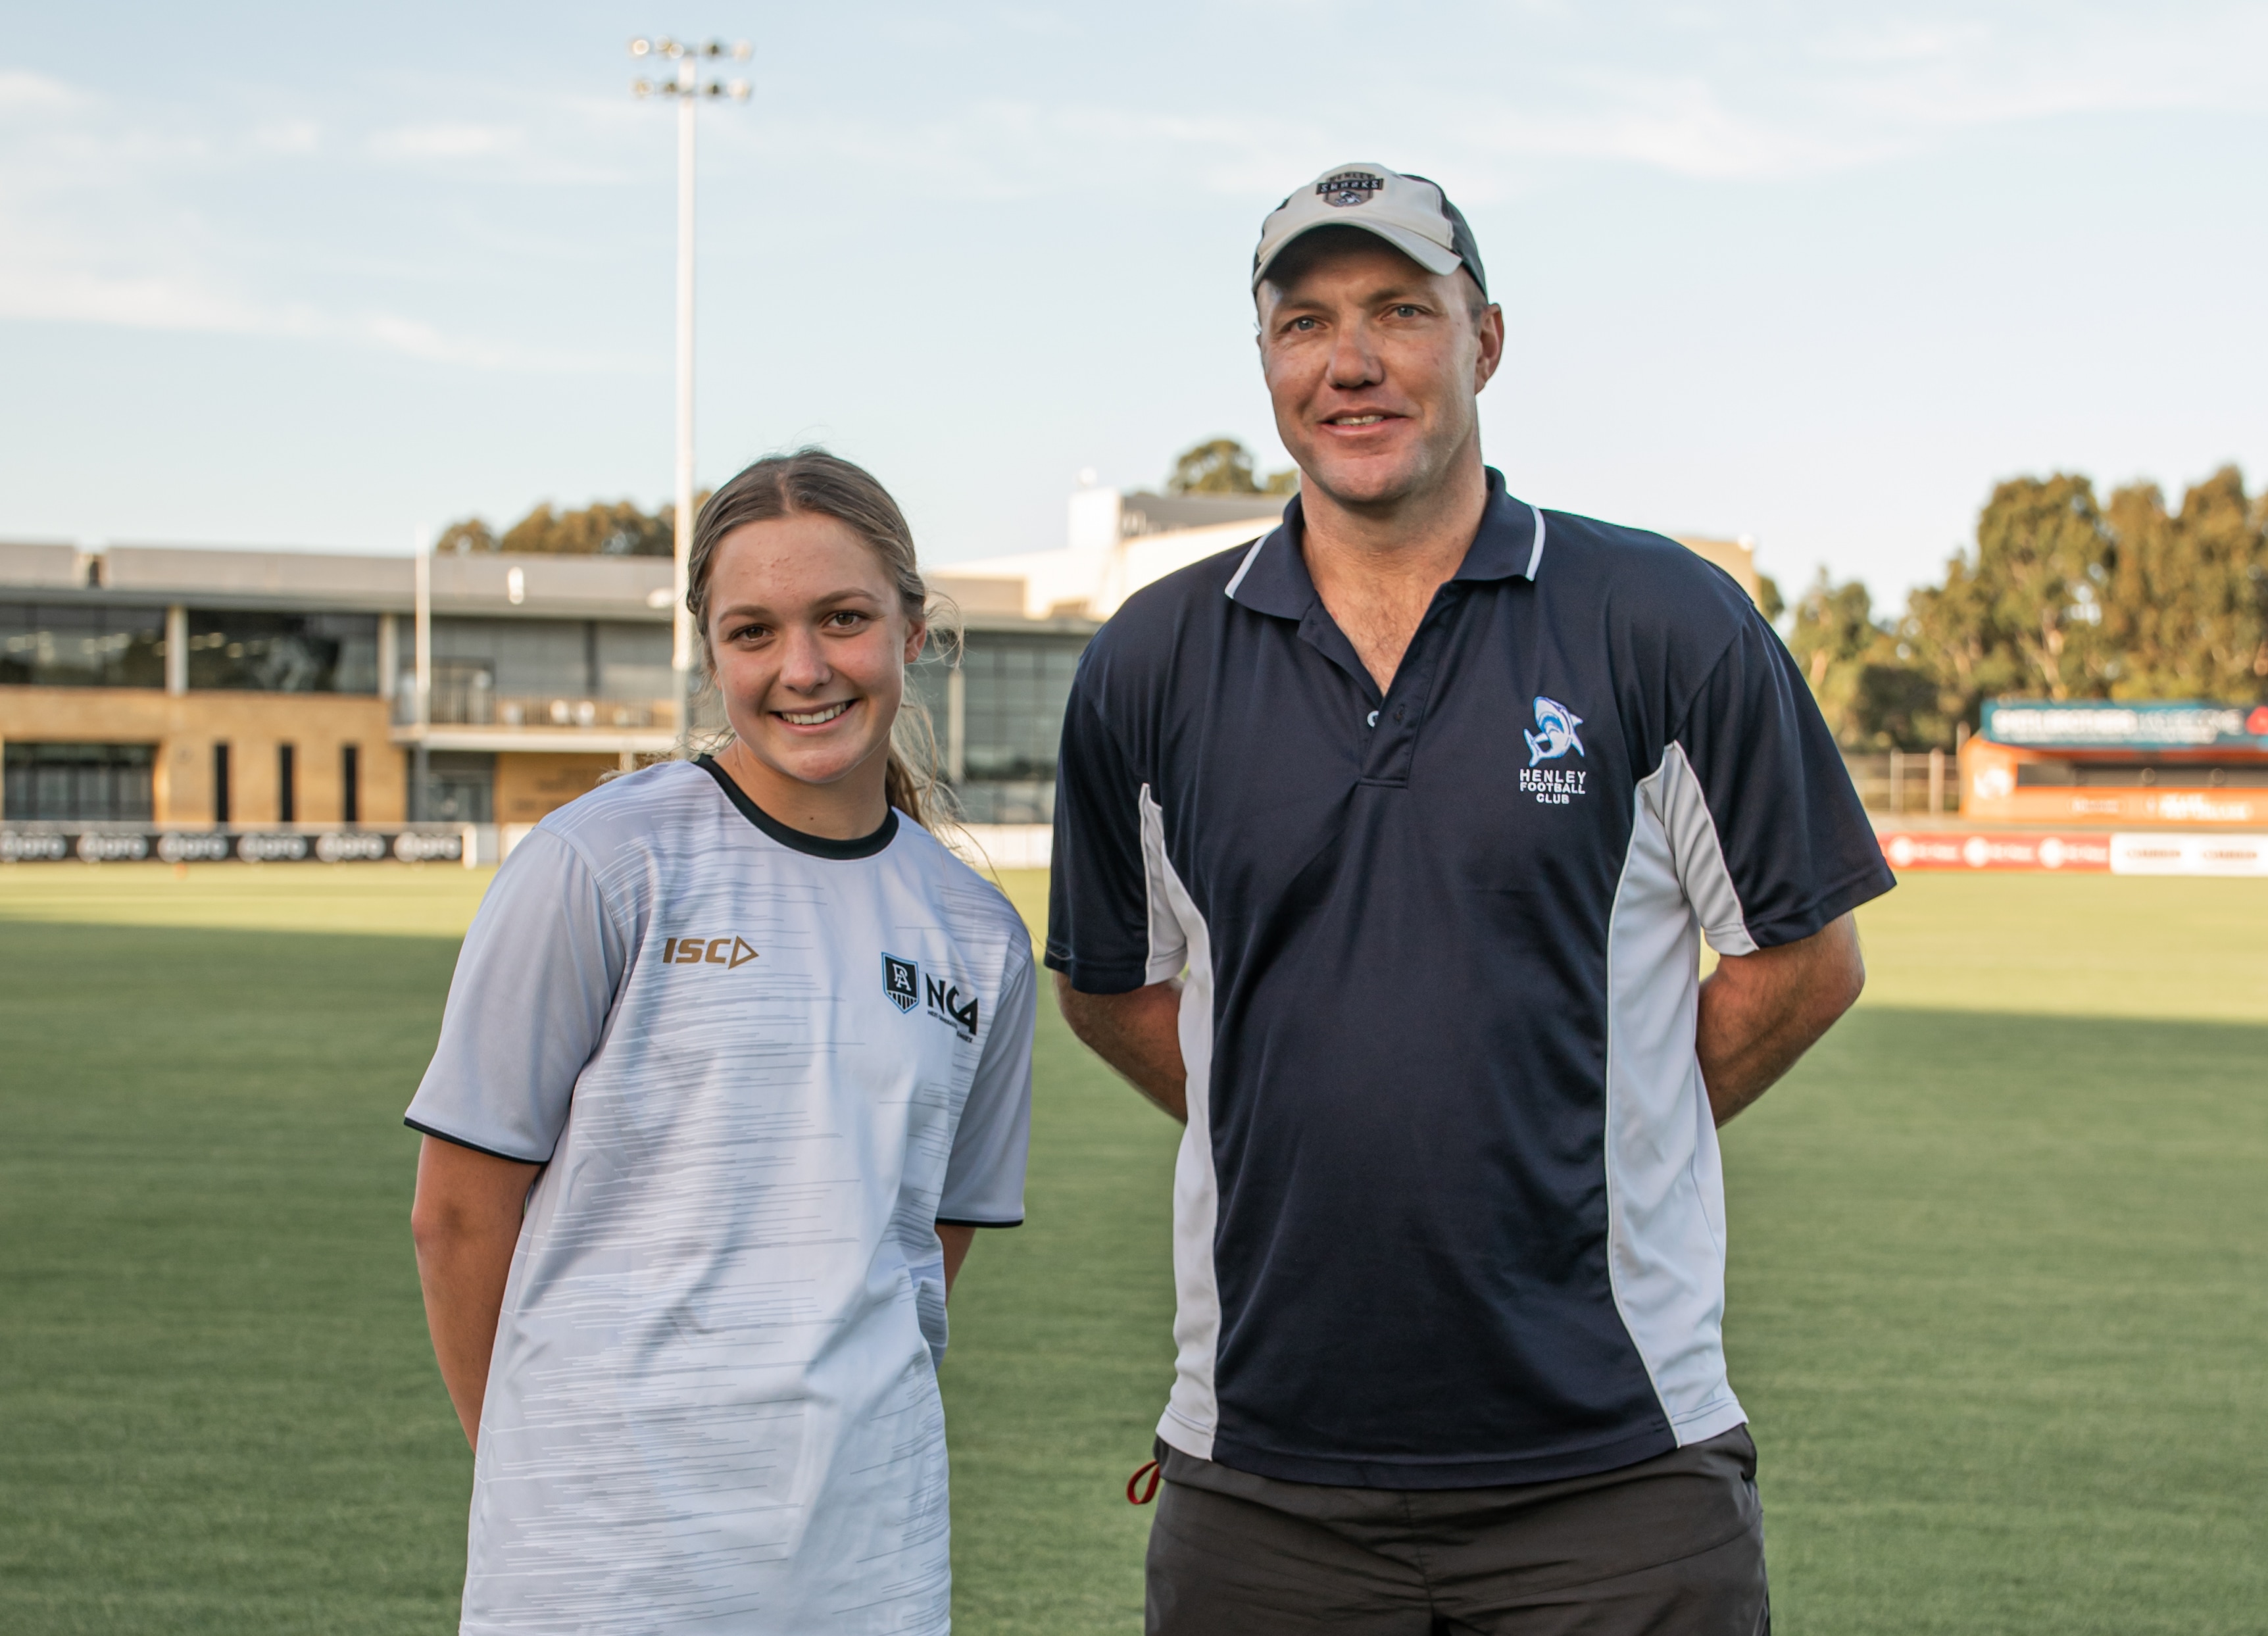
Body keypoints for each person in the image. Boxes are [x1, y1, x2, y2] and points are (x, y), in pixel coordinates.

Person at [1047, 162, 1894, 1634]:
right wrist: (1294, 1120)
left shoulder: (1661, 619)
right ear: (1265, 362)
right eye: (1303, 322)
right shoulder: (1151, 660)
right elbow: (1110, 983)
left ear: (1483, 341)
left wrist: (1586, 1126)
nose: (1351, 360)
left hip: (1613, 1477)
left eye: (1397, 311)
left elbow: (1803, 962)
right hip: (1260, 1480)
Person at [405, 449, 1034, 1635]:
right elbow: (457, 1214)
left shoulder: (978, 937)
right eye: (755, 632)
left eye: (843, 620)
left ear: (913, 626)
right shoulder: (603, 865)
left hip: (866, 1560)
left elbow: (923, 1254)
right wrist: (540, 1475)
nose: (803, 669)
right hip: (602, 1565)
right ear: (711, 653)